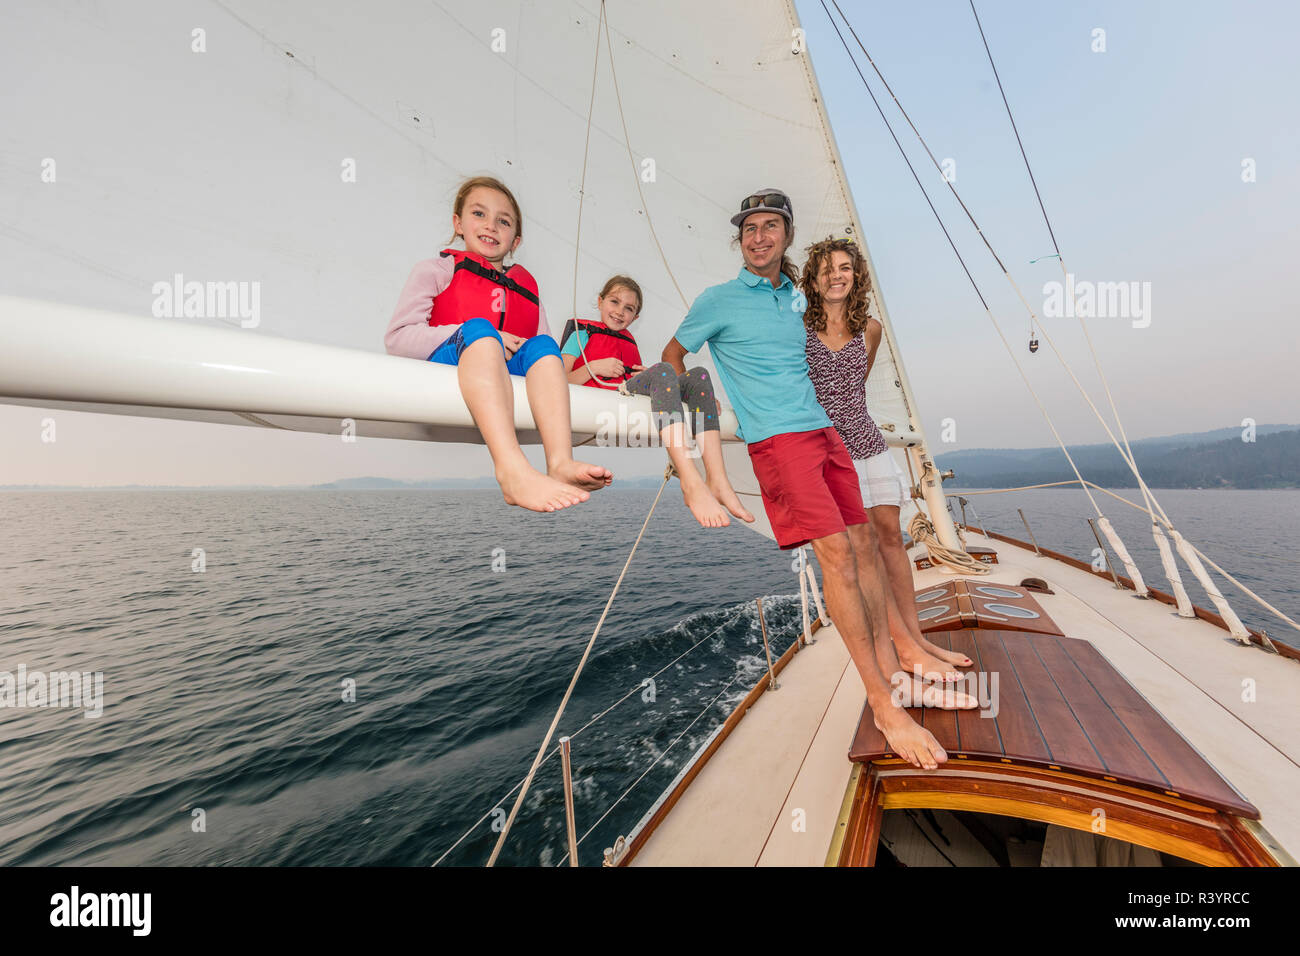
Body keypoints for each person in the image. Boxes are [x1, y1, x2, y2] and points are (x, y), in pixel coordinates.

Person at [662, 188, 949, 769]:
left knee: (866, 544)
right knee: (838, 556)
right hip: (780, 441)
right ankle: (884, 705)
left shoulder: (798, 299)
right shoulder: (717, 300)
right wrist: (694, 425)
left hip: (830, 436)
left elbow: (839, 351)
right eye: (750, 228)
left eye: (771, 226)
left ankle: (897, 672)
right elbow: (671, 357)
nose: (759, 236)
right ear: (740, 239)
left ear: (786, 236)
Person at [800, 237, 977, 700]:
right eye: (825, 269)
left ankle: (915, 639)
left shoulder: (870, 329)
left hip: (868, 442)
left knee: (891, 542)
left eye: (844, 267)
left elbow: (854, 388)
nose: (835, 275)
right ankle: (899, 646)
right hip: (830, 450)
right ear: (812, 279)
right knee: (858, 553)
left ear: (856, 276)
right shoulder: (796, 328)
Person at [385, 176, 611, 513]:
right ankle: (511, 468)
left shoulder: (527, 292)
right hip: (452, 364)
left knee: (544, 345)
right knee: (481, 329)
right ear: (457, 223)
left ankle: (561, 462)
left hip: (506, 374)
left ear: (515, 240)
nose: (491, 226)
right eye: (479, 214)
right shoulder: (436, 270)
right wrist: (483, 336)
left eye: (503, 221)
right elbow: (398, 338)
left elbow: (542, 359)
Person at [561, 276, 754, 528]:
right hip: (598, 396)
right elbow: (559, 380)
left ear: (635, 317)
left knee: (698, 377)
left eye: (629, 308)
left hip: (627, 394)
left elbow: (644, 386)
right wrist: (594, 367)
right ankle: (690, 480)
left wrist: (698, 399)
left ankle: (718, 479)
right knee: (663, 369)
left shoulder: (629, 342)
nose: (620, 311)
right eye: (614, 302)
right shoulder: (581, 335)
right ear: (600, 301)